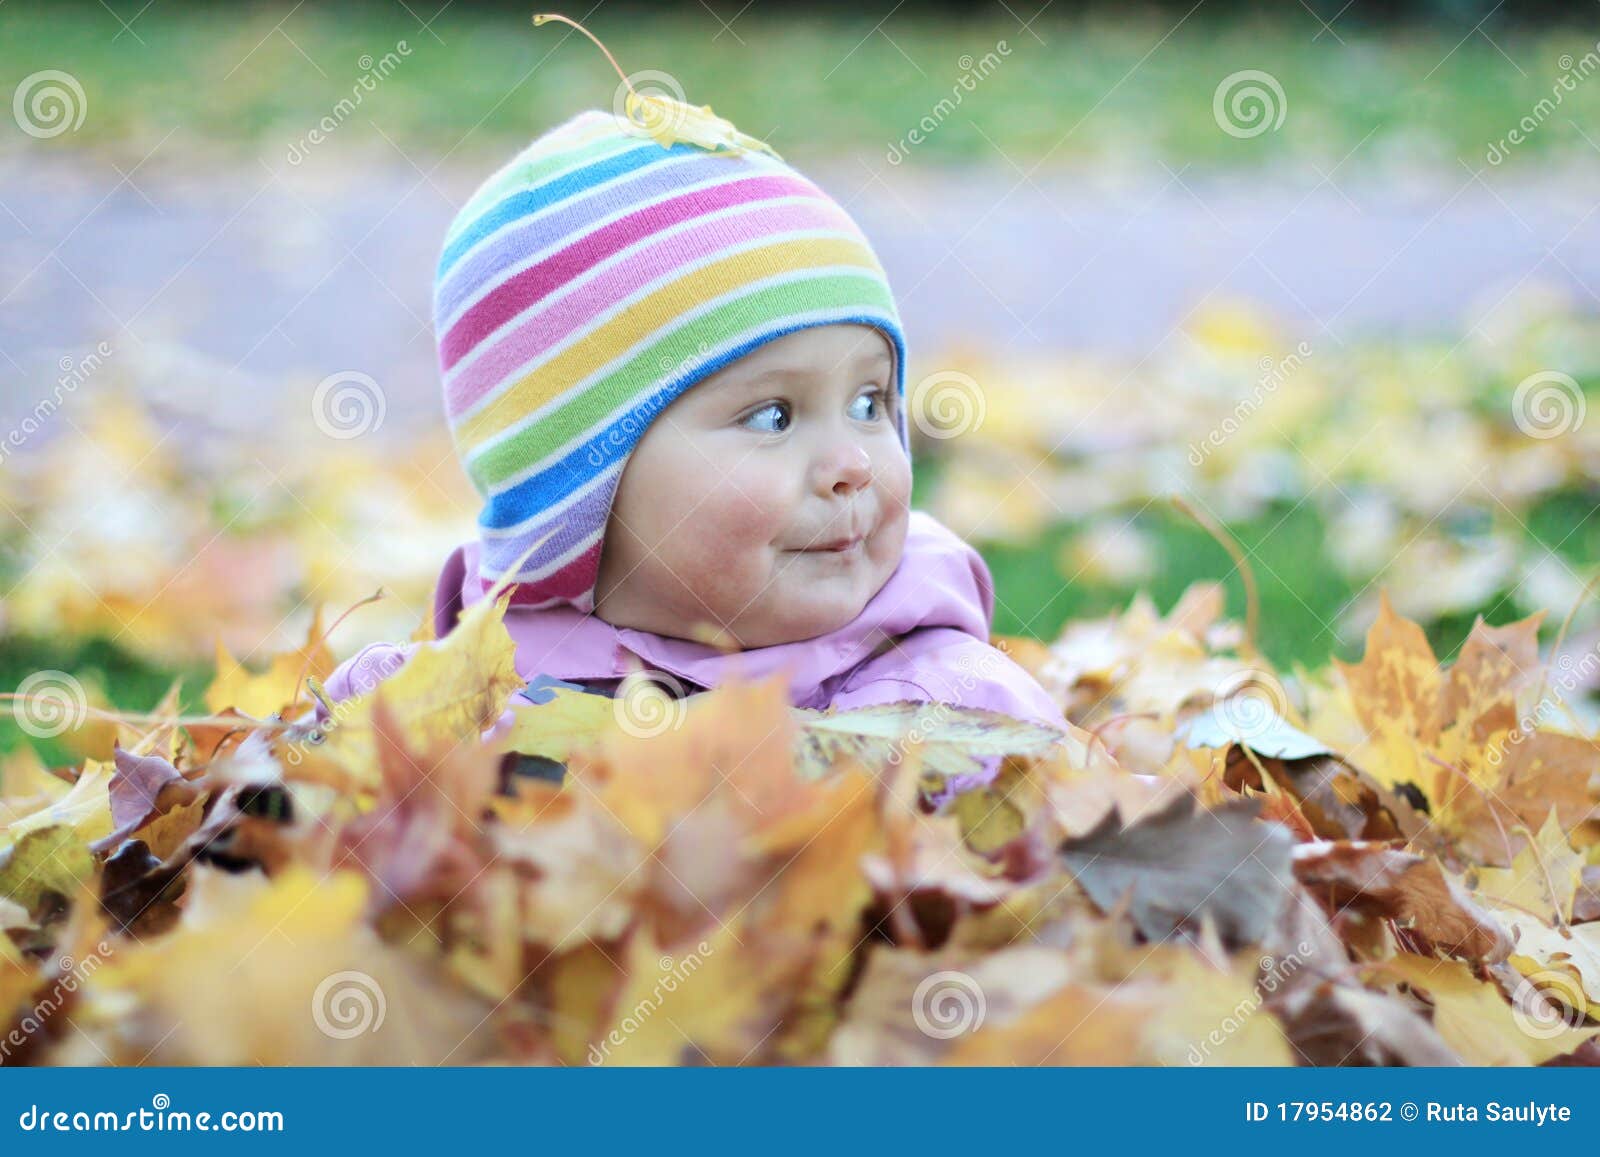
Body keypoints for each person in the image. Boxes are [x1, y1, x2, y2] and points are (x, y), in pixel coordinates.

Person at [318, 106, 1064, 798]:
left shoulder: (941, 713)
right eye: (774, 416)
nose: (855, 462)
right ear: (580, 492)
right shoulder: (459, 712)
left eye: (870, 403)